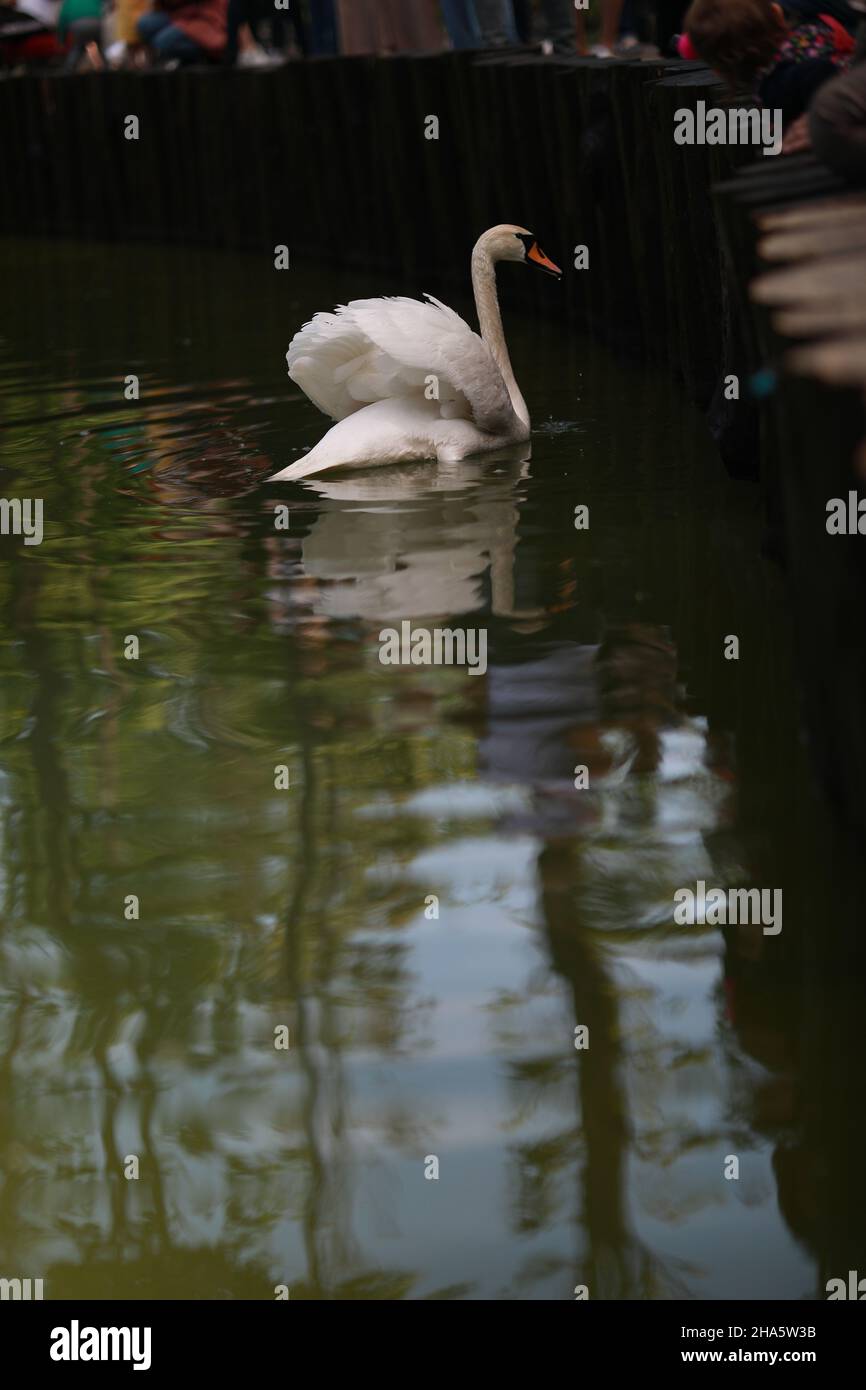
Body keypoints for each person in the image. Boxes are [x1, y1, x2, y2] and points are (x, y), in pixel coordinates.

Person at [683, 0, 859, 124]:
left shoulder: (777, 86)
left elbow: (820, 73)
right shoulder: (809, 32)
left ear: (719, 70)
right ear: (777, 15)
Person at [137, 0, 227, 63]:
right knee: (145, 24)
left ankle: (204, 53)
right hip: (179, 12)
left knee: (162, 43)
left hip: (204, 16)